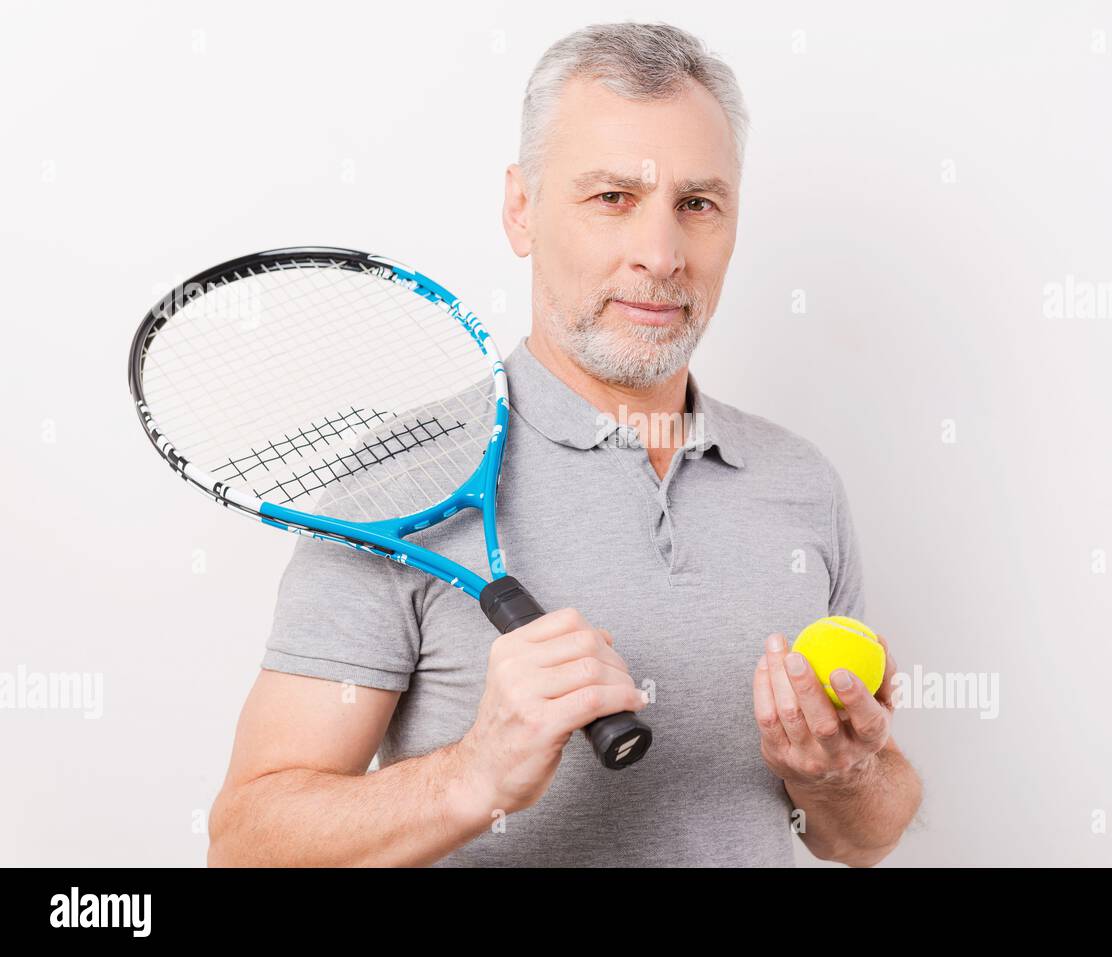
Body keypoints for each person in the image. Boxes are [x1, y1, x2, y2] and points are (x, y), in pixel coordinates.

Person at [207, 21, 921, 868]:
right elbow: (244, 844)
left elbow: (862, 838)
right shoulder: (399, 483)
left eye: (697, 204)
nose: (660, 255)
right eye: (613, 197)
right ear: (522, 210)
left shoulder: (800, 483)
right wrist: (474, 774)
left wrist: (841, 777)